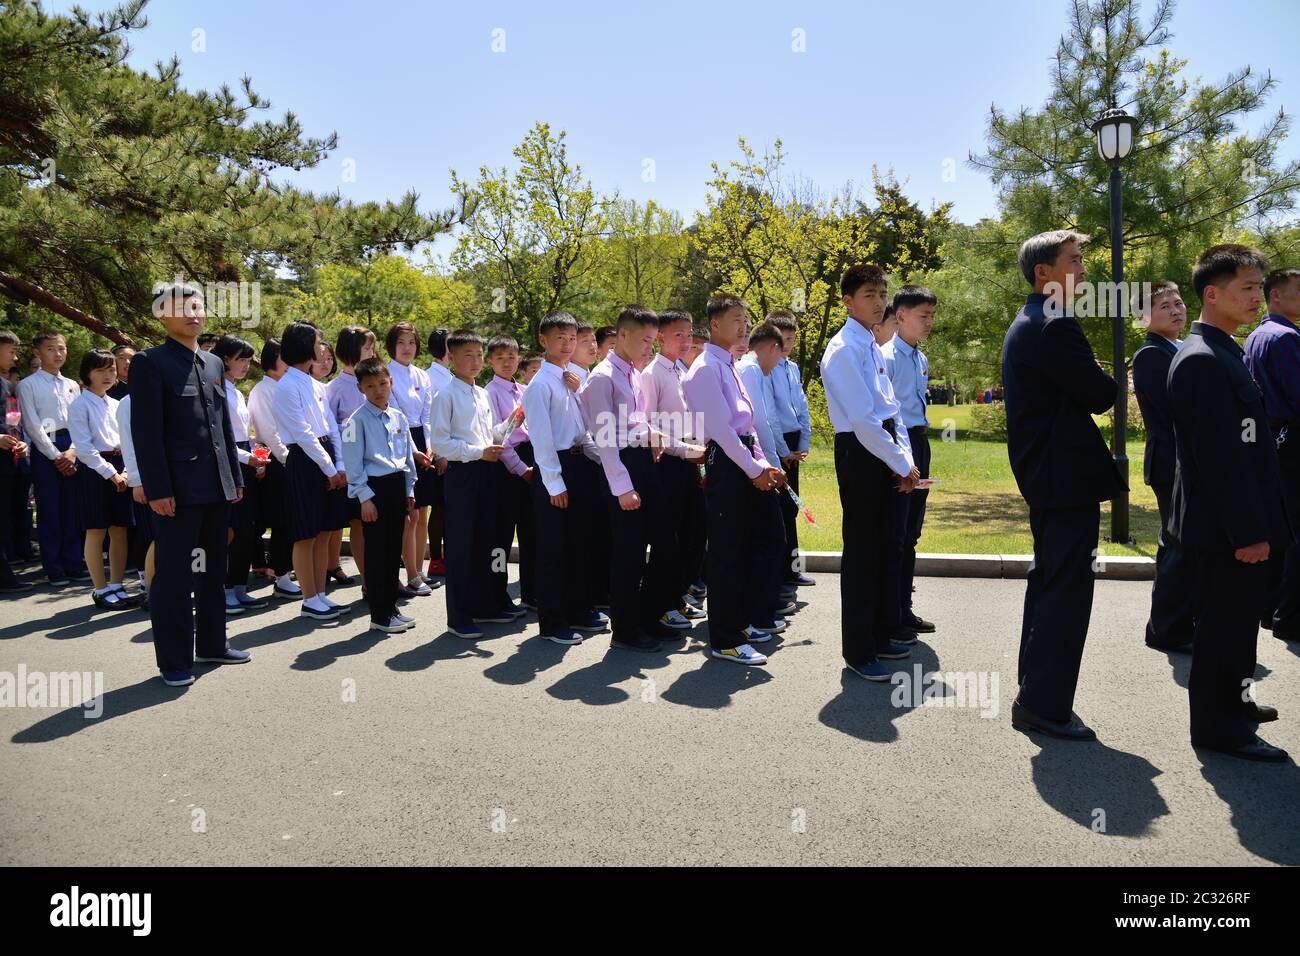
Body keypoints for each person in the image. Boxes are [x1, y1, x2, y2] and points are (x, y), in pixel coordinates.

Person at [1168, 244, 1289, 762]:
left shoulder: (1224, 350)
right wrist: (1247, 533)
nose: (1257, 297)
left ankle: (1235, 706)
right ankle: (1219, 729)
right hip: (1225, 529)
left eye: (1260, 288)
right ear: (1211, 293)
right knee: (1223, 629)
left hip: (1238, 522)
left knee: (1239, 627)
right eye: (1247, 287)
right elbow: (1220, 461)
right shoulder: (1202, 360)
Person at [1001, 230, 1122, 739]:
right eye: (1075, 261)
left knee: (1052, 582)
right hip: (1063, 478)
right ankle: (1045, 705)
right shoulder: (1053, 324)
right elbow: (1101, 395)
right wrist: (1100, 372)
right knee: (1065, 592)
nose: (1085, 271)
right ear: (1044, 273)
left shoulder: (1037, 320)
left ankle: (1036, 693)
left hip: (1051, 477)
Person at [130, 282, 249, 686]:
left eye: (197, 306)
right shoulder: (151, 362)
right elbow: (146, 433)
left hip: (216, 487)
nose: (193, 314)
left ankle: (213, 644)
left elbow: (224, 428)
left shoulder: (213, 364)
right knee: (175, 576)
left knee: (214, 569)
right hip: (177, 492)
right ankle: (175, 661)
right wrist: (158, 489)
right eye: (182, 307)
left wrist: (234, 477)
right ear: (161, 316)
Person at [822, 267, 919, 682]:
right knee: (863, 553)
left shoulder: (872, 346)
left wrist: (904, 459)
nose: (879, 302)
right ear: (847, 301)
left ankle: (879, 634)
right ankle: (859, 650)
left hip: (883, 449)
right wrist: (901, 462)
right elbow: (863, 420)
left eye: (882, 293)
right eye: (868, 294)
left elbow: (892, 409)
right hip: (862, 453)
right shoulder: (844, 348)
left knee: (884, 548)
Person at [683, 294, 786, 666]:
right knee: (726, 553)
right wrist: (753, 469)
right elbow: (721, 431)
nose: (744, 326)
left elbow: (748, 426)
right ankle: (725, 638)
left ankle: (743, 621)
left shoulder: (730, 365)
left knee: (762, 540)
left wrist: (763, 464)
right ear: (714, 325)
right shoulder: (706, 369)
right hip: (726, 462)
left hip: (743, 457)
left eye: (746, 319)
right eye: (736, 320)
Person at [580, 305, 684, 652]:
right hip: (621, 469)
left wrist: (677, 446)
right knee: (629, 554)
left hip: (643, 463)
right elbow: (605, 439)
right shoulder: (602, 378)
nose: (649, 348)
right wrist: (622, 487)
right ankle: (625, 630)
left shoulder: (634, 374)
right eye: (644, 340)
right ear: (622, 335)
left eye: (653, 341)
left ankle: (649, 616)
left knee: (667, 545)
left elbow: (640, 424)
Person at [521, 311, 607, 645]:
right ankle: (553, 622)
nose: (568, 344)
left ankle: (578, 608)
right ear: (543, 341)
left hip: (578, 463)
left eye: (573, 338)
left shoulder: (570, 379)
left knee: (578, 544)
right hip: (554, 467)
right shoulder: (540, 385)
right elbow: (541, 440)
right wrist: (554, 483)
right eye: (560, 337)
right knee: (553, 549)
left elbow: (582, 429)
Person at [429, 328, 513, 639]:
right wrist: (479, 451)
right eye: (468, 355)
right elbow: (440, 443)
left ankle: (485, 605)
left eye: (479, 355)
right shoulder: (445, 395)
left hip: (486, 472)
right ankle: (459, 616)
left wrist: (513, 421)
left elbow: (491, 434)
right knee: (462, 545)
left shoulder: (482, 393)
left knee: (485, 542)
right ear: (451, 358)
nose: (476, 361)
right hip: (462, 474)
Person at [1131, 280, 1194, 653]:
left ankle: (1179, 621)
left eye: (1177, 302)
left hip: (1185, 461)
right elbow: (1175, 410)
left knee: (1185, 543)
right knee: (1177, 544)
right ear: (1143, 318)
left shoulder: (1179, 347)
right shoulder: (1151, 354)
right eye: (1164, 306)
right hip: (1171, 461)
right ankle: (1166, 628)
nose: (1175, 309)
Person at [272, 321, 349, 622]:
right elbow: (303, 434)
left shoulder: (315, 385)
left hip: (326, 455)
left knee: (323, 531)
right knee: (306, 534)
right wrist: (330, 468)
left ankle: (320, 594)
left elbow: (331, 427)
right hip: (306, 461)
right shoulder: (287, 387)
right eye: (318, 341)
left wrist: (339, 465)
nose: (321, 347)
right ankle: (309, 598)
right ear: (304, 345)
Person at [1243, 266, 1300, 643]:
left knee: (1283, 530)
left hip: (1273, 441)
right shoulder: (1284, 338)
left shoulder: (1257, 336)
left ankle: (1271, 610)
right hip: (1292, 439)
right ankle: (1291, 617)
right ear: (1274, 295)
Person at [640, 308, 708, 621]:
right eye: (678, 334)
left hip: (690, 460)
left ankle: (676, 596)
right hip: (666, 463)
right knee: (667, 538)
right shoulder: (652, 374)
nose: (685, 340)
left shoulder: (680, 370)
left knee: (691, 533)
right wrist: (684, 451)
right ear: (660, 337)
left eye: (689, 333)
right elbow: (649, 427)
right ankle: (659, 604)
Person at [341, 357, 417, 634]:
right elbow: (353, 463)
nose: (378, 390)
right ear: (360, 387)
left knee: (392, 550)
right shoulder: (355, 421)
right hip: (374, 489)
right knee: (376, 553)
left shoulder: (398, 417)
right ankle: (379, 614)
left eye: (383, 383)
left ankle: (391, 607)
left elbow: (406, 457)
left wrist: (409, 489)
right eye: (370, 385)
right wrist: (364, 497)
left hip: (396, 487)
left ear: (391, 382)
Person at [882, 287, 938, 636]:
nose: (929, 322)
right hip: (898, 446)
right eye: (923, 316)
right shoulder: (885, 357)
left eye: (932, 316)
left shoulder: (920, 359)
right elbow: (884, 416)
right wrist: (897, 460)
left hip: (919, 441)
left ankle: (905, 609)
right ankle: (890, 614)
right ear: (900, 316)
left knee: (912, 533)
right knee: (895, 534)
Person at [737, 320, 798, 639]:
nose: (777, 363)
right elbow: (759, 421)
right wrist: (772, 464)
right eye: (779, 354)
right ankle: (758, 610)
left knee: (768, 538)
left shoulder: (752, 369)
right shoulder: (749, 369)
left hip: (759, 461)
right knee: (768, 540)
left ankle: (762, 608)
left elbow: (768, 419)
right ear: (771, 347)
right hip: (753, 464)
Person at [17, 330, 87, 586]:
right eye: (50, 349)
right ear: (37, 351)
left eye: (61, 348)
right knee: (49, 510)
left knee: (72, 508)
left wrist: (73, 451)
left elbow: (80, 420)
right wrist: (57, 455)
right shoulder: (28, 384)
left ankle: (74, 562)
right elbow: (33, 425)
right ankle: (54, 567)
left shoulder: (72, 384)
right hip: (46, 446)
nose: (57, 354)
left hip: (72, 445)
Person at [68, 348, 134, 609]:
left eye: (111, 369)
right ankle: (100, 588)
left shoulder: (117, 404)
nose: (108, 375)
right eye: (101, 370)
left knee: (120, 529)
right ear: (87, 373)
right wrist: (111, 473)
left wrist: (126, 470)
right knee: (96, 530)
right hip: (95, 470)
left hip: (120, 466)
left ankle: (117, 584)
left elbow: (128, 442)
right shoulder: (79, 405)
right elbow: (84, 448)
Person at [213, 335, 268, 615]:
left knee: (247, 528)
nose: (246, 365)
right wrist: (249, 459)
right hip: (229, 463)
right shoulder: (216, 390)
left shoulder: (235, 389)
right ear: (225, 360)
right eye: (240, 359)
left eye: (248, 360)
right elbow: (220, 438)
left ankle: (238, 586)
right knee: (231, 530)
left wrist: (256, 453)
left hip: (245, 459)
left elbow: (242, 433)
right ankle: (222, 589)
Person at [483, 334, 536, 611]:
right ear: (489, 361)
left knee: (531, 532)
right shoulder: (489, 393)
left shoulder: (525, 389)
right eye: (500, 358)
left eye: (511, 357)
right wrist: (520, 469)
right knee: (502, 536)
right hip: (507, 466)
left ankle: (531, 591)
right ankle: (497, 594)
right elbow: (497, 438)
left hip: (530, 458)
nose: (507, 363)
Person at [387, 322, 440, 597]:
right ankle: (408, 574)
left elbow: (428, 415)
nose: (407, 348)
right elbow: (395, 416)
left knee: (422, 513)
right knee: (409, 513)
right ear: (391, 346)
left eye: (411, 342)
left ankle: (419, 571)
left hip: (423, 443)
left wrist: (429, 447)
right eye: (401, 343)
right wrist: (413, 450)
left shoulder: (422, 375)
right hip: (398, 442)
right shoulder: (387, 374)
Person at [246, 338, 300, 598]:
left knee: (290, 520)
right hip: (280, 462)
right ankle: (280, 574)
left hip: (290, 459)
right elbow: (268, 432)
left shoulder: (285, 387)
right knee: (280, 522)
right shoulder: (262, 390)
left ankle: (286, 570)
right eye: (283, 357)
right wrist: (289, 460)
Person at [765, 310, 814, 588]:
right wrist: (784, 451)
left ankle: (792, 570)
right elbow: (771, 414)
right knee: (781, 508)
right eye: (783, 339)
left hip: (794, 442)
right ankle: (778, 573)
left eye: (792, 339)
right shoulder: (767, 369)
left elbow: (801, 407)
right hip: (777, 442)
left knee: (793, 507)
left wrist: (803, 444)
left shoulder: (792, 368)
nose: (787, 345)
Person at [326, 326, 377, 591]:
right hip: (353, 463)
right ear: (350, 350)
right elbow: (332, 428)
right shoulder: (334, 388)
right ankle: (367, 580)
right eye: (366, 348)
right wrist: (340, 466)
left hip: (379, 461)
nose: (371, 353)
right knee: (359, 522)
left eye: (372, 348)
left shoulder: (376, 379)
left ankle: (385, 577)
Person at [0, 330, 32, 594]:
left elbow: (12, 421)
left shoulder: (7, 385)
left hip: (8, 463)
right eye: (11, 351)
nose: (15, 356)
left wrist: (18, 441)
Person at [116, 393, 154, 603]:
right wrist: (137, 481)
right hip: (144, 477)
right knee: (151, 536)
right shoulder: (128, 402)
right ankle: (149, 587)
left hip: (170, 476)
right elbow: (128, 445)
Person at [424, 327, 451, 579]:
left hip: (453, 451)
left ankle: (447, 556)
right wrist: (439, 453)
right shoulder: (431, 378)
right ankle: (435, 559)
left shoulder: (448, 376)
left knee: (448, 507)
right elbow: (431, 420)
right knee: (439, 507)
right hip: (441, 452)